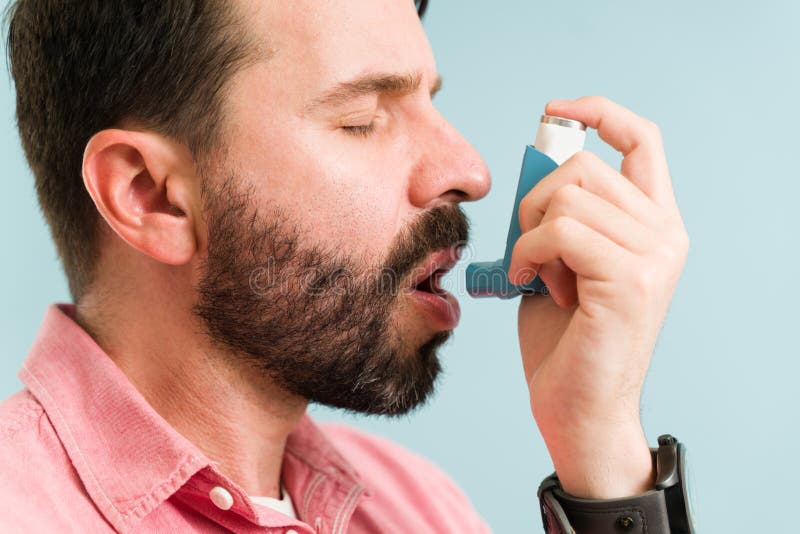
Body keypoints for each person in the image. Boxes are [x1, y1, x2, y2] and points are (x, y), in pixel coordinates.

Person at [0, 0, 690, 532]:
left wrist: (603, 461)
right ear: (151, 196)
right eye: (363, 118)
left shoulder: (423, 511)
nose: (469, 171)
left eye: (431, 102)